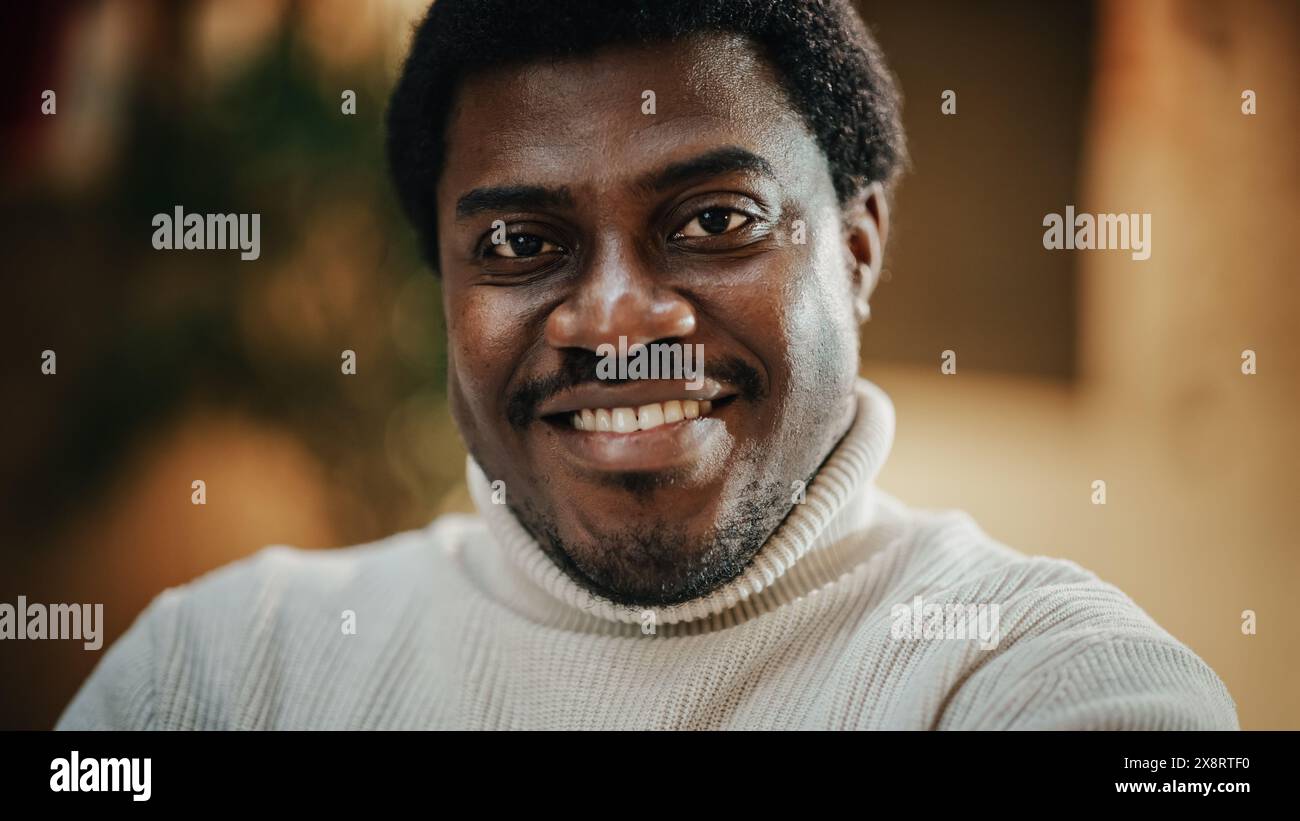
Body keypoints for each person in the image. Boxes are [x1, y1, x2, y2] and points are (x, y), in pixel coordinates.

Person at [58, 0, 1237, 730]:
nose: (616, 317)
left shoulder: (1046, 680)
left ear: (859, 247)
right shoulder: (218, 670)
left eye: (714, 220)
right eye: (521, 245)